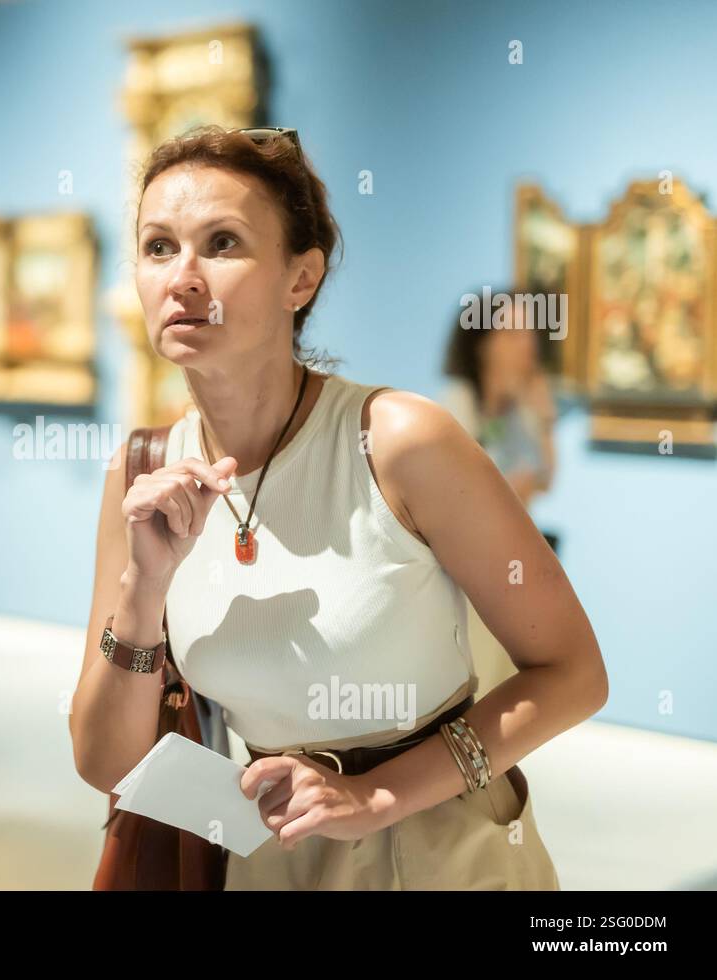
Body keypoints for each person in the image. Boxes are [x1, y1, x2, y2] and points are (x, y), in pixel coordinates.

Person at [70, 125, 607, 890]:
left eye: (222, 243)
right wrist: (144, 590)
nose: (183, 276)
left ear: (302, 279)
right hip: (271, 853)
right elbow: (106, 762)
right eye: (159, 247)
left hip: (440, 847)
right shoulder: (142, 469)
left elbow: (574, 673)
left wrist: (376, 794)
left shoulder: (397, 441)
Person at [438, 296, 560, 697]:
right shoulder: (456, 405)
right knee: (470, 679)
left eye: (528, 332)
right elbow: (453, 496)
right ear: (482, 342)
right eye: (511, 332)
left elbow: (546, 479)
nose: (526, 343)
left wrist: (544, 418)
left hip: (513, 563)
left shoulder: (519, 408)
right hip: (464, 570)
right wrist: (512, 490)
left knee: (505, 677)